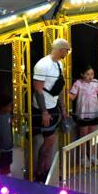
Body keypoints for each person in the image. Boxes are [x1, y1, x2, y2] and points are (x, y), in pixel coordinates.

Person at [32, 38, 70, 180]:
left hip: (53, 106)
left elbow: (59, 87)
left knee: (51, 141)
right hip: (43, 109)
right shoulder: (43, 65)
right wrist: (44, 112)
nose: (67, 52)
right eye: (67, 50)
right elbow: (38, 90)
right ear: (61, 50)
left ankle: (45, 169)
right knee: (49, 141)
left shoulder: (59, 64)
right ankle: (40, 171)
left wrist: (62, 108)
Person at [70, 67, 98, 165]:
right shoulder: (78, 83)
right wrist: (64, 92)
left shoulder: (96, 83)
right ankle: (83, 158)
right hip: (82, 114)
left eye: (92, 74)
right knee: (83, 136)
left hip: (94, 114)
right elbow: (72, 96)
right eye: (87, 74)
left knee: (94, 136)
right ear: (82, 74)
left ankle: (93, 156)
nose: (90, 77)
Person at [0, 98, 14, 175]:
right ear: (3, 107)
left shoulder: (8, 115)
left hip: (8, 146)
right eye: (9, 106)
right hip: (1, 147)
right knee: (2, 166)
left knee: (7, 164)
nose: (10, 108)